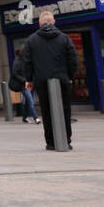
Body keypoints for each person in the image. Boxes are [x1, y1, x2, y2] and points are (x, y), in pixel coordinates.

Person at [22, 10, 79, 150]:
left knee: (46, 111)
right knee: (65, 110)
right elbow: (73, 60)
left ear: (40, 23)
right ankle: (66, 140)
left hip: (41, 80)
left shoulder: (31, 40)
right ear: (54, 22)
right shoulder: (64, 38)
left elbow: (27, 62)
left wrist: (29, 79)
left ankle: (51, 142)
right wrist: (70, 76)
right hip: (62, 79)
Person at [9, 48, 40, 124]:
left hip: (31, 83)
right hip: (24, 85)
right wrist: (24, 80)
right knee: (30, 101)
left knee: (28, 102)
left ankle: (25, 118)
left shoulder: (29, 61)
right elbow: (14, 74)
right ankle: (36, 118)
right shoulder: (18, 62)